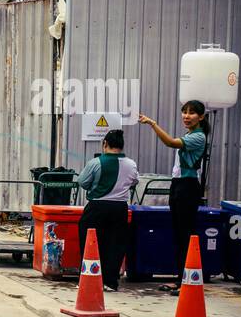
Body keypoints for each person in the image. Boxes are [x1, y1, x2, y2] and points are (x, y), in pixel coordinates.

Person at [139, 101, 211, 293]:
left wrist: (153, 124)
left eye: (192, 113)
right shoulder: (190, 134)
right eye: (184, 112)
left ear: (201, 117)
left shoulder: (198, 137)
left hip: (187, 187)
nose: (187, 116)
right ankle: (181, 279)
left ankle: (188, 281)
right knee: (179, 235)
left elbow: (170, 142)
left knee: (185, 235)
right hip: (179, 184)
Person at [75, 129, 139, 292]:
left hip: (97, 207)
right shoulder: (131, 164)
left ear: (105, 144)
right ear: (122, 146)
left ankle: (90, 278)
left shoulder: (96, 163)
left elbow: (82, 182)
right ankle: (110, 282)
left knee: (91, 242)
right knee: (115, 244)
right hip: (120, 208)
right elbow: (134, 181)